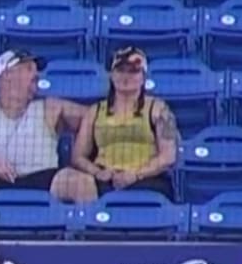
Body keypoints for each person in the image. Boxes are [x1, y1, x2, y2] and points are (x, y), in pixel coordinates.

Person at [0, 49, 95, 216]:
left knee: (82, 183)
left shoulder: (50, 107)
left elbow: (94, 117)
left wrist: (80, 153)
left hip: (44, 178)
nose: (36, 74)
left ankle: (90, 238)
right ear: (6, 75)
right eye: (29, 68)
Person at [68, 46, 180, 202]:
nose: (126, 76)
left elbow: (168, 156)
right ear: (112, 75)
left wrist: (136, 174)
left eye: (133, 71)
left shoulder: (159, 109)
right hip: (105, 180)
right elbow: (78, 156)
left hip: (147, 180)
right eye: (121, 70)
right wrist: (97, 172)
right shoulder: (95, 111)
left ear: (143, 77)